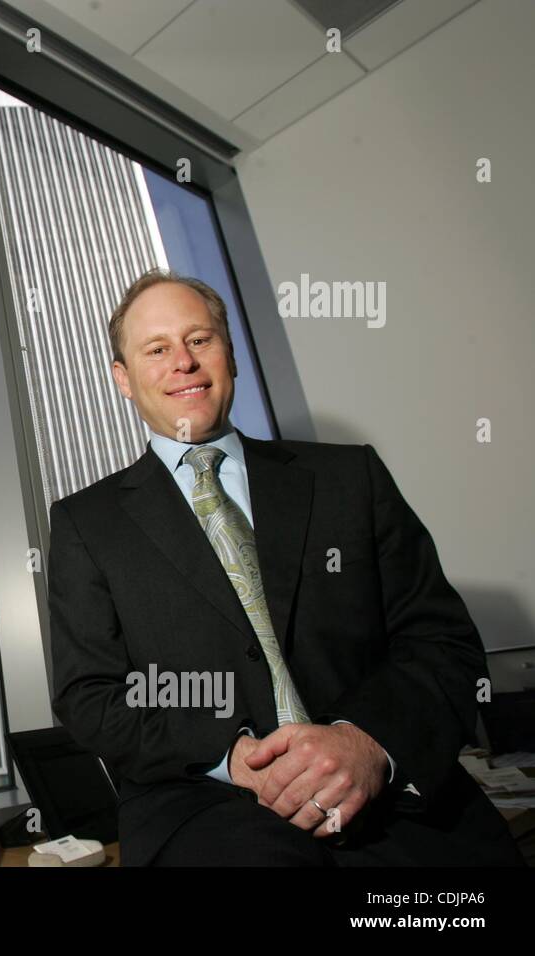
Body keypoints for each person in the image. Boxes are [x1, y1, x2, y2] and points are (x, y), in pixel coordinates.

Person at [48, 267, 524, 866]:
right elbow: (89, 695)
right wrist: (232, 756)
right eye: (157, 348)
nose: (183, 363)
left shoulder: (350, 478)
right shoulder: (84, 524)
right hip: (207, 817)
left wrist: (367, 743)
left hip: (409, 815)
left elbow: (441, 640)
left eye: (199, 340)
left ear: (230, 355)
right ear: (123, 378)